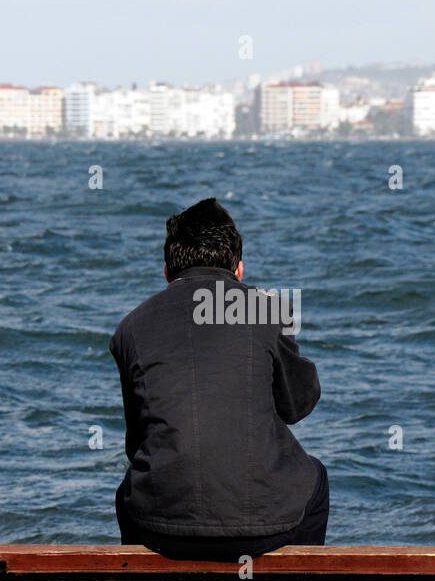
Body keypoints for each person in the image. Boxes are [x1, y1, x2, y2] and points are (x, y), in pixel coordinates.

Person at [109, 197, 327, 560]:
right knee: (315, 480)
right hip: (263, 529)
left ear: (167, 272)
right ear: (239, 270)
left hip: (160, 530)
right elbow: (297, 406)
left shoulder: (131, 328)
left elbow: (138, 442)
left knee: (128, 490)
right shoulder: (266, 309)